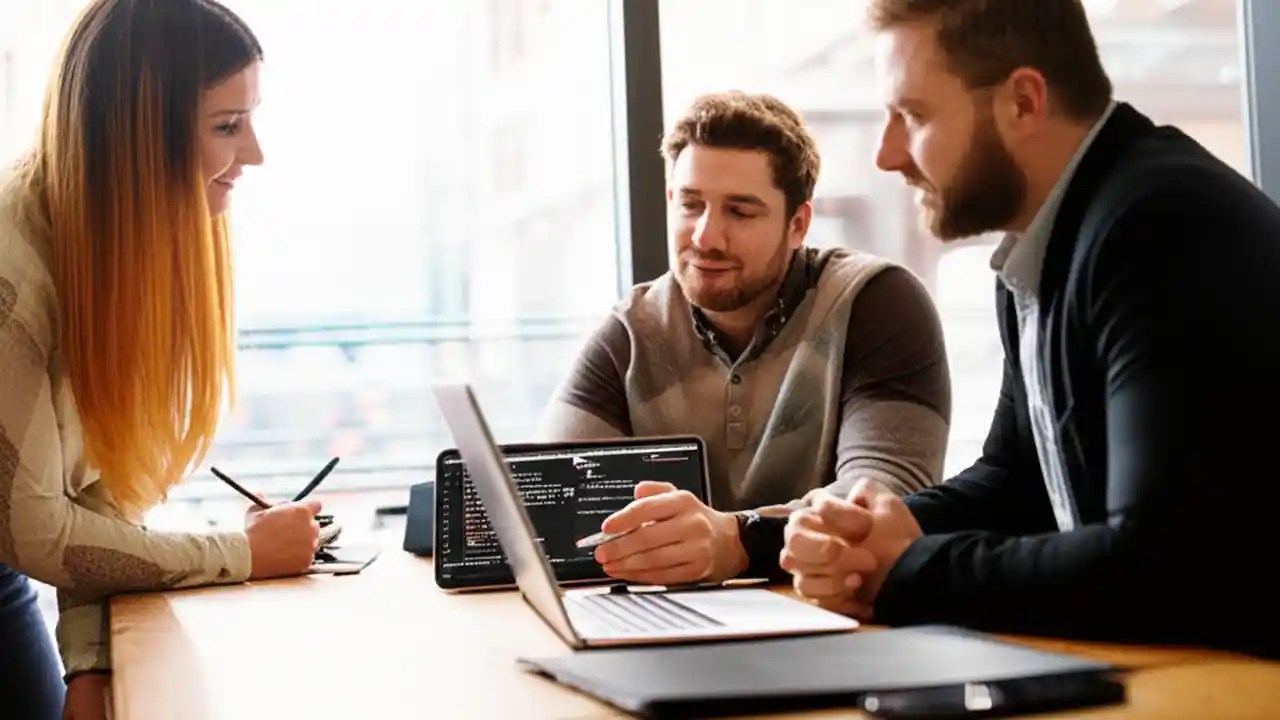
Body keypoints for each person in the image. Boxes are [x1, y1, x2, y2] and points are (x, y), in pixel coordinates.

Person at [781, 0, 1280, 657]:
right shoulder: (1044, 241)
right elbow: (1015, 483)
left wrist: (902, 571)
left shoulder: (1162, 226)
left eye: (915, 115)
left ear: (1022, 102)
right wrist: (853, 533)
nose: (887, 154)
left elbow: (1161, 563)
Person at [0, 1, 323, 717]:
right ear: (135, 136)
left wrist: (89, 663)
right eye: (227, 127)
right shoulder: (10, 273)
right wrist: (245, 555)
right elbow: (37, 530)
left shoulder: (110, 242)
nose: (255, 154)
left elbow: (97, 487)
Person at [542, 91, 951, 588]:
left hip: (832, 614)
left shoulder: (874, 302)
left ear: (798, 224)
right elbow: (553, 507)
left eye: (740, 212)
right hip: (679, 620)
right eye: (691, 205)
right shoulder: (631, 332)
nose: (706, 237)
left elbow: (883, 503)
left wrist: (734, 541)